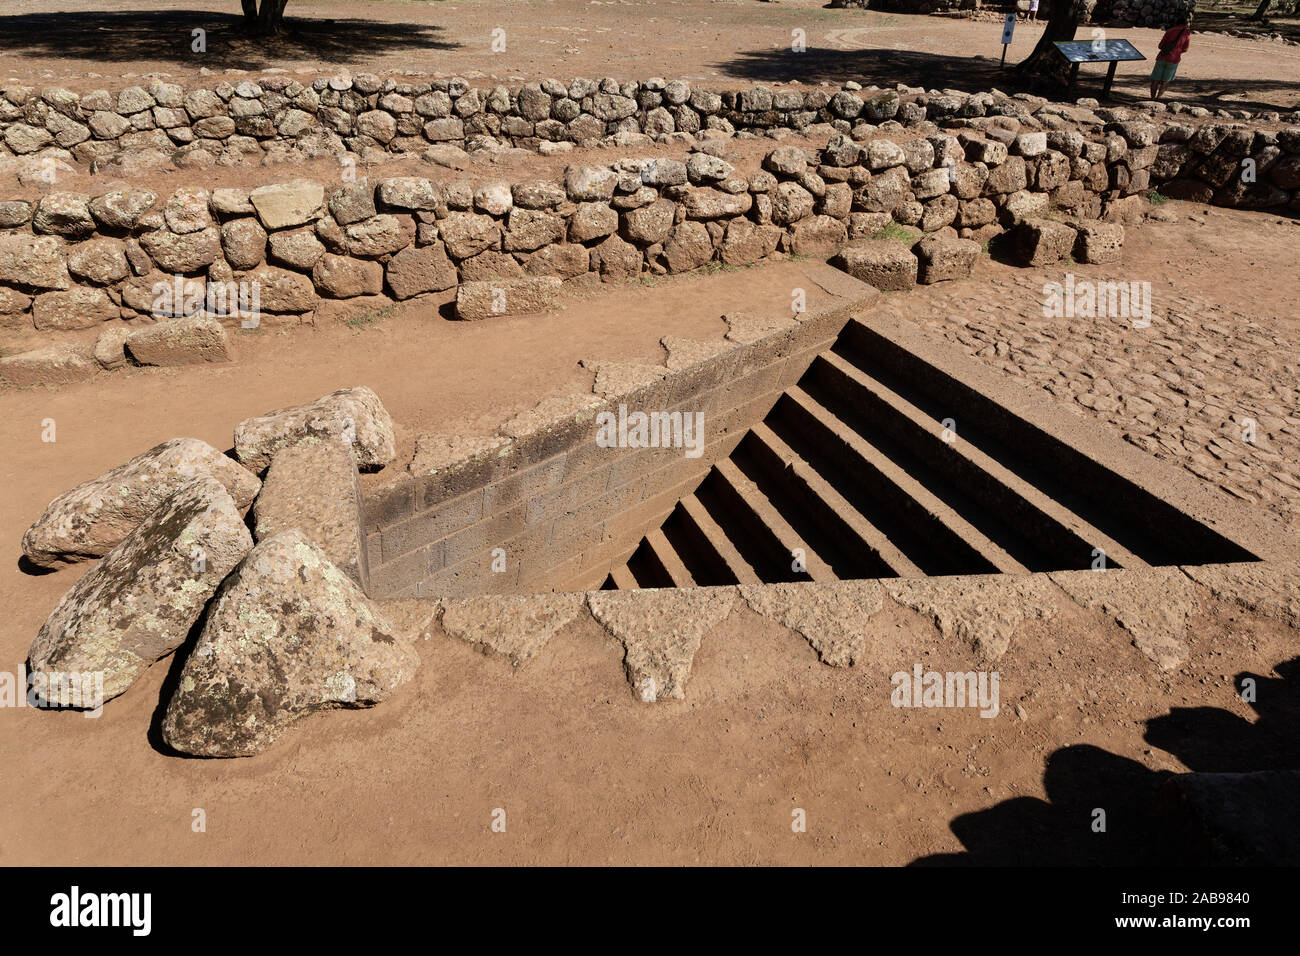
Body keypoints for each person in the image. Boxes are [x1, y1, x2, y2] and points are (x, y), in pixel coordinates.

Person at [1150, 14, 1192, 101]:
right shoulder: (1187, 33)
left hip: (1162, 57)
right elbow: (1185, 49)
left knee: (1155, 80)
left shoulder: (1170, 31)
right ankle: (1158, 98)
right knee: (1166, 81)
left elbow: (1160, 46)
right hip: (1174, 59)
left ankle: (1152, 98)